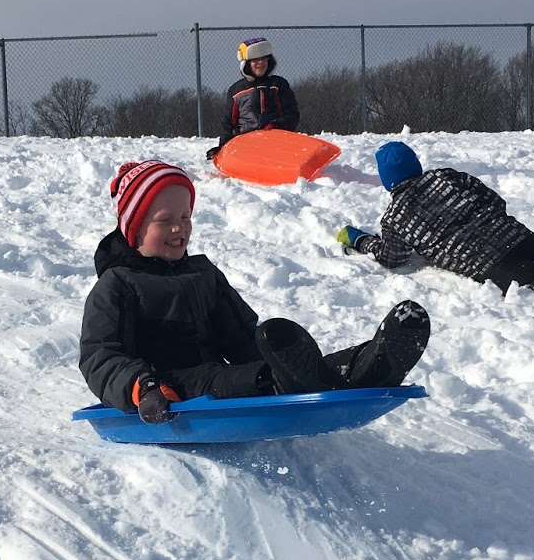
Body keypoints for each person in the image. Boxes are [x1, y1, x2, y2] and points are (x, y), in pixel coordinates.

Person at [79, 160, 430, 422]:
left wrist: (268, 354)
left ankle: (366, 364)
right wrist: (142, 386)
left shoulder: (202, 273)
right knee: (220, 377)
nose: (178, 228)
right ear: (134, 228)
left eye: (185, 217)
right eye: (164, 220)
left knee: (270, 362)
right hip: (164, 389)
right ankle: (280, 382)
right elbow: (101, 356)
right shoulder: (117, 285)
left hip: (213, 378)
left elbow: (240, 333)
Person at [336, 141, 534, 331]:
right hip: (511, 233)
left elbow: (393, 257)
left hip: (484, 260)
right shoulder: (445, 176)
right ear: (415, 164)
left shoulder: (395, 217)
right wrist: (491, 220)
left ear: (387, 181)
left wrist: (360, 240)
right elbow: (493, 199)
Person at [206, 37, 300, 159]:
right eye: (255, 59)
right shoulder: (236, 91)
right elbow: (228, 123)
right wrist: (223, 146)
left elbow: (292, 114)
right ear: (246, 63)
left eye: (264, 58)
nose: (261, 63)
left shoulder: (278, 85)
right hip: (246, 145)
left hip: (276, 141)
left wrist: (276, 126)